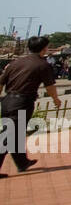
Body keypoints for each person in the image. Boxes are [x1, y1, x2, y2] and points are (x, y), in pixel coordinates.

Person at [0, 36, 61, 176]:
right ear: (44, 48)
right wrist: (56, 99)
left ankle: (22, 162)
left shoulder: (16, 62)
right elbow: (50, 86)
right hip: (22, 102)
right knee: (8, 135)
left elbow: (1, 82)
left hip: (7, 101)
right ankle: (20, 162)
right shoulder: (42, 65)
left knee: (15, 133)